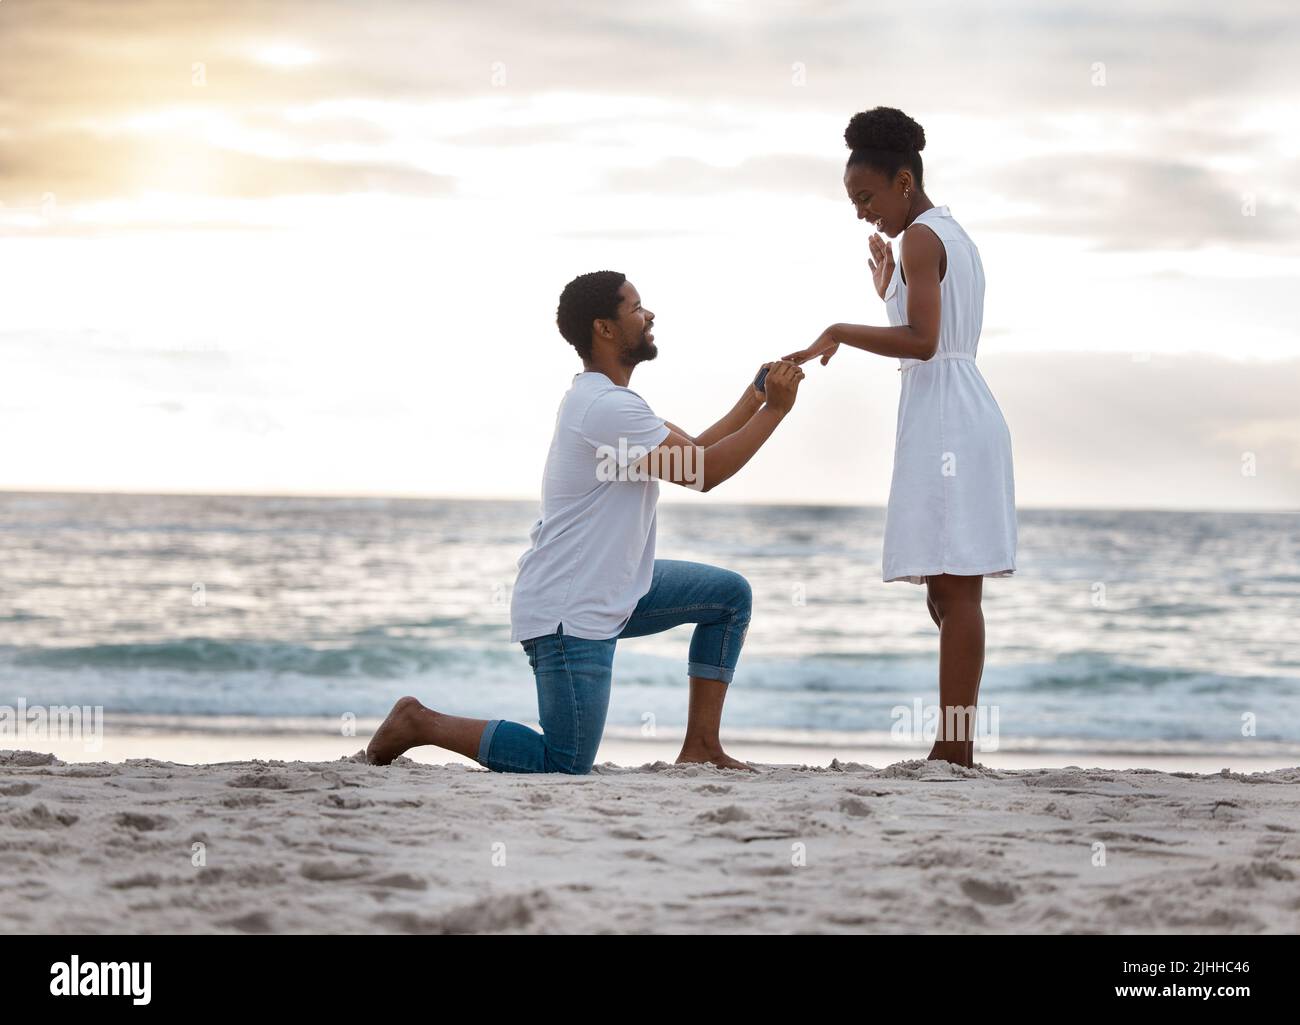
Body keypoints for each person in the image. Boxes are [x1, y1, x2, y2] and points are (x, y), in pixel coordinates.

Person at [368, 270, 805, 773]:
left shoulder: (612, 403)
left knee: (729, 597)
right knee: (565, 760)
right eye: (637, 308)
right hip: (568, 607)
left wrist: (755, 397)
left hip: (617, 587)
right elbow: (704, 474)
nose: (650, 315)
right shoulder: (605, 408)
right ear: (605, 328)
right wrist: (776, 411)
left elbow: (698, 450)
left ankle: (702, 745)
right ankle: (419, 722)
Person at [784, 106, 1017, 768]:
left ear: (904, 181)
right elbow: (927, 323)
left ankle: (955, 746)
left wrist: (838, 330)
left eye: (866, 197)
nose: (862, 212)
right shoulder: (948, 236)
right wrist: (889, 289)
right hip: (955, 410)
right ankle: (955, 740)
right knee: (944, 590)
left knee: (957, 589)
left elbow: (923, 341)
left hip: (948, 417)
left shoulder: (920, 238)